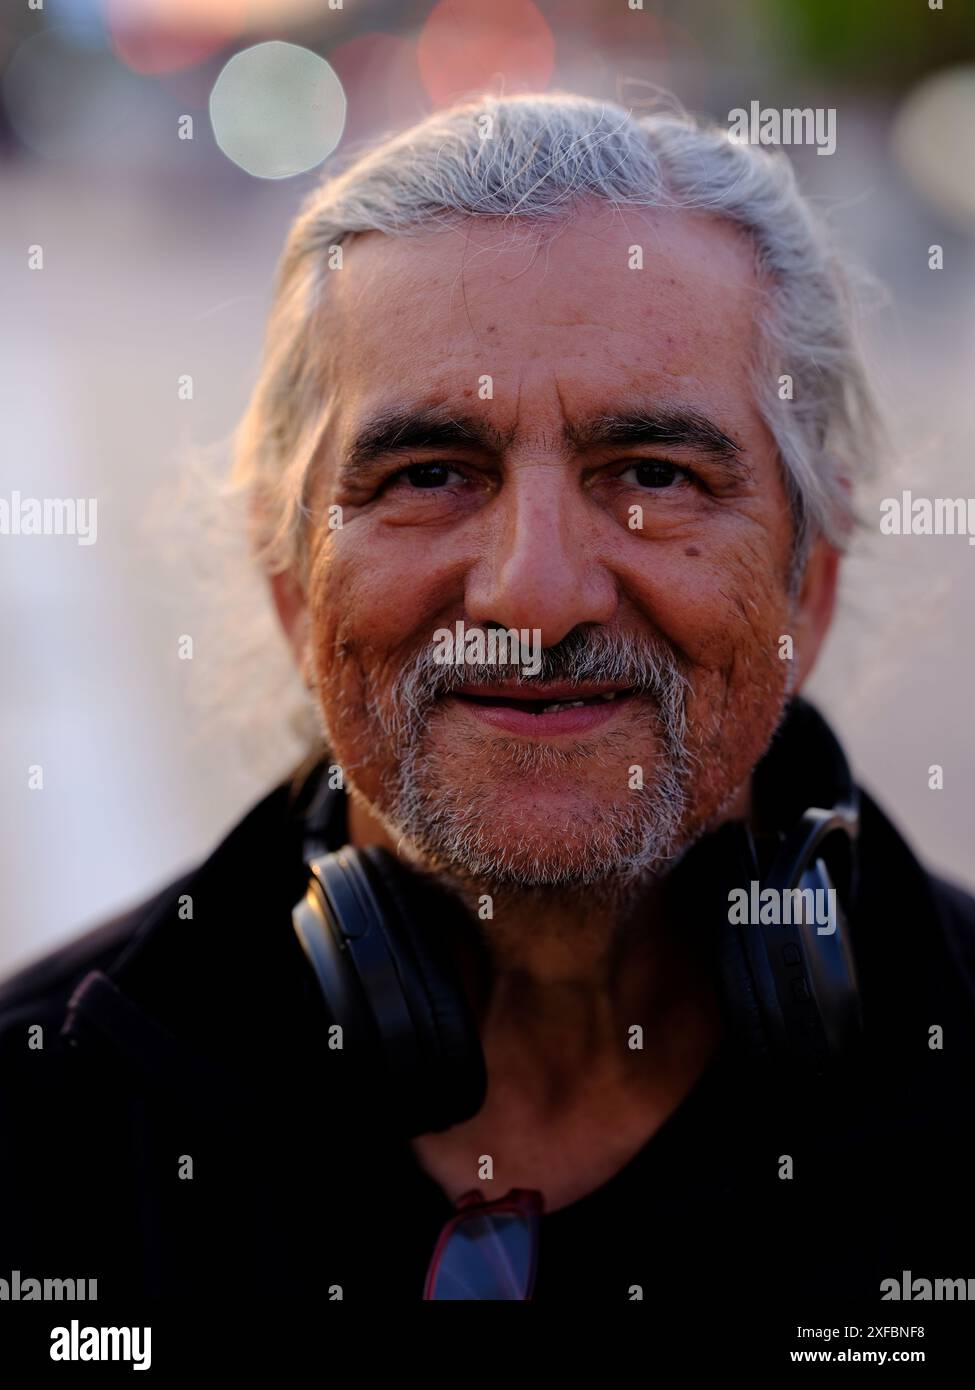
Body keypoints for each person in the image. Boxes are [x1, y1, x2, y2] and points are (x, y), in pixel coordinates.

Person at [1, 93, 972, 1306]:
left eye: (655, 472)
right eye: (430, 473)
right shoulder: (41, 1117)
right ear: (292, 586)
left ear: (808, 584)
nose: (537, 592)